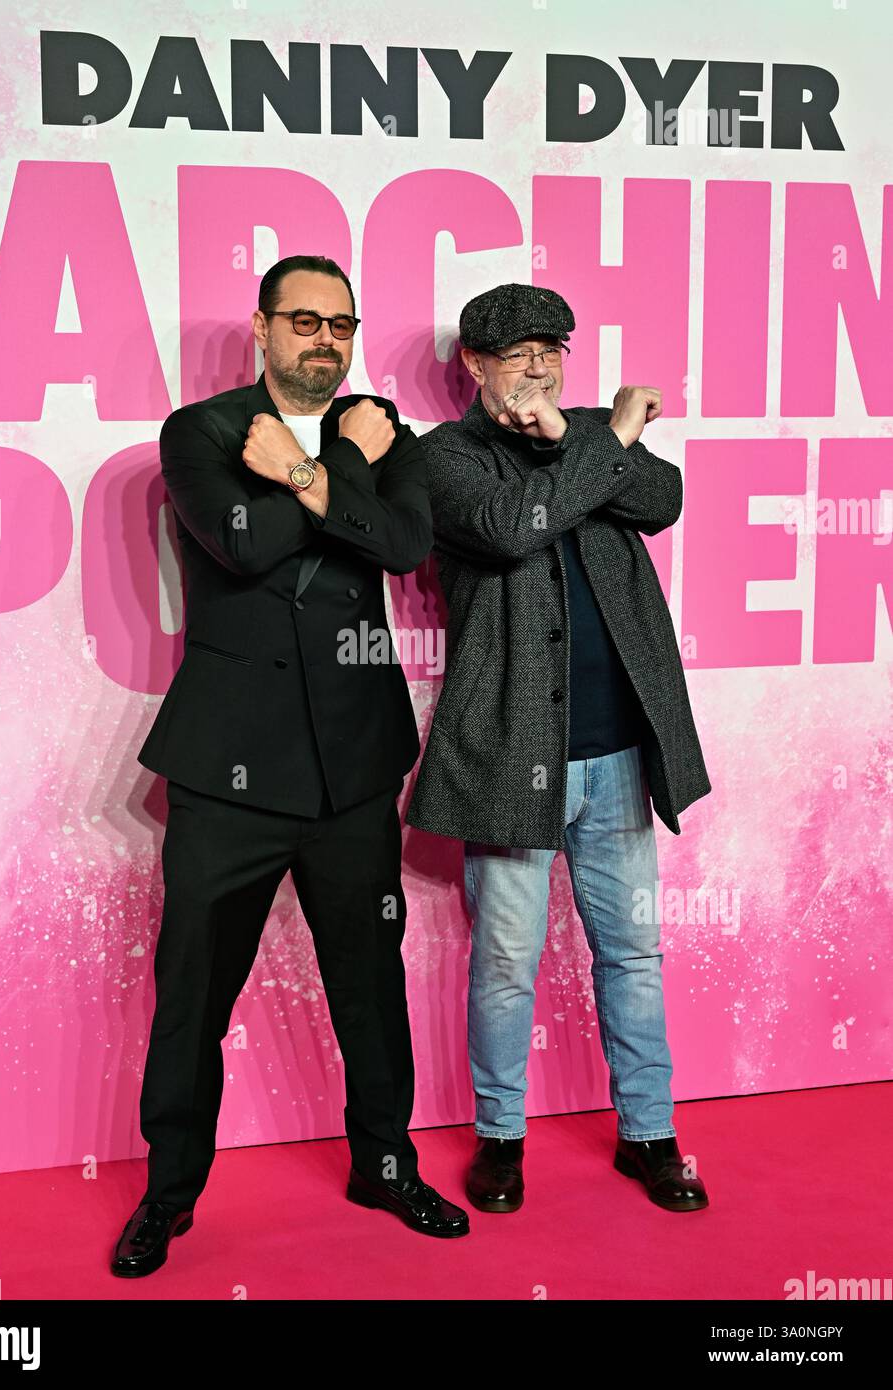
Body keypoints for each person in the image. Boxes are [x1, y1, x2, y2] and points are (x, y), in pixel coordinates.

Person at [112, 254, 469, 1278]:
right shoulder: (203, 433)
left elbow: (402, 545)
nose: (323, 339)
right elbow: (245, 547)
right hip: (226, 767)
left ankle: (385, 1163)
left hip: (353, 768)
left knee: (370, 983)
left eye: (339, 324)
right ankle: (168, 1195)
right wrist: (317, 478)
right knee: (194, 993)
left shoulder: (374, 430)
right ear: (262, 331)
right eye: (302, 320)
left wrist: (314, 469)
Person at [405, 282, 712, 1216]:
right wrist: (602, 445)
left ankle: (649, 1133)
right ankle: (500, 1139)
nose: (539, 367)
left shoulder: (585, 436)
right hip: (510, 754)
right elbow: (511, 529)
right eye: (518, 352)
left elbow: (662, 499)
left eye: (554, 350)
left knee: (633, 952)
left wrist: (580, 442)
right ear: (474, 363)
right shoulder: (443, 459)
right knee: (505, 958)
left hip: (619, 747)